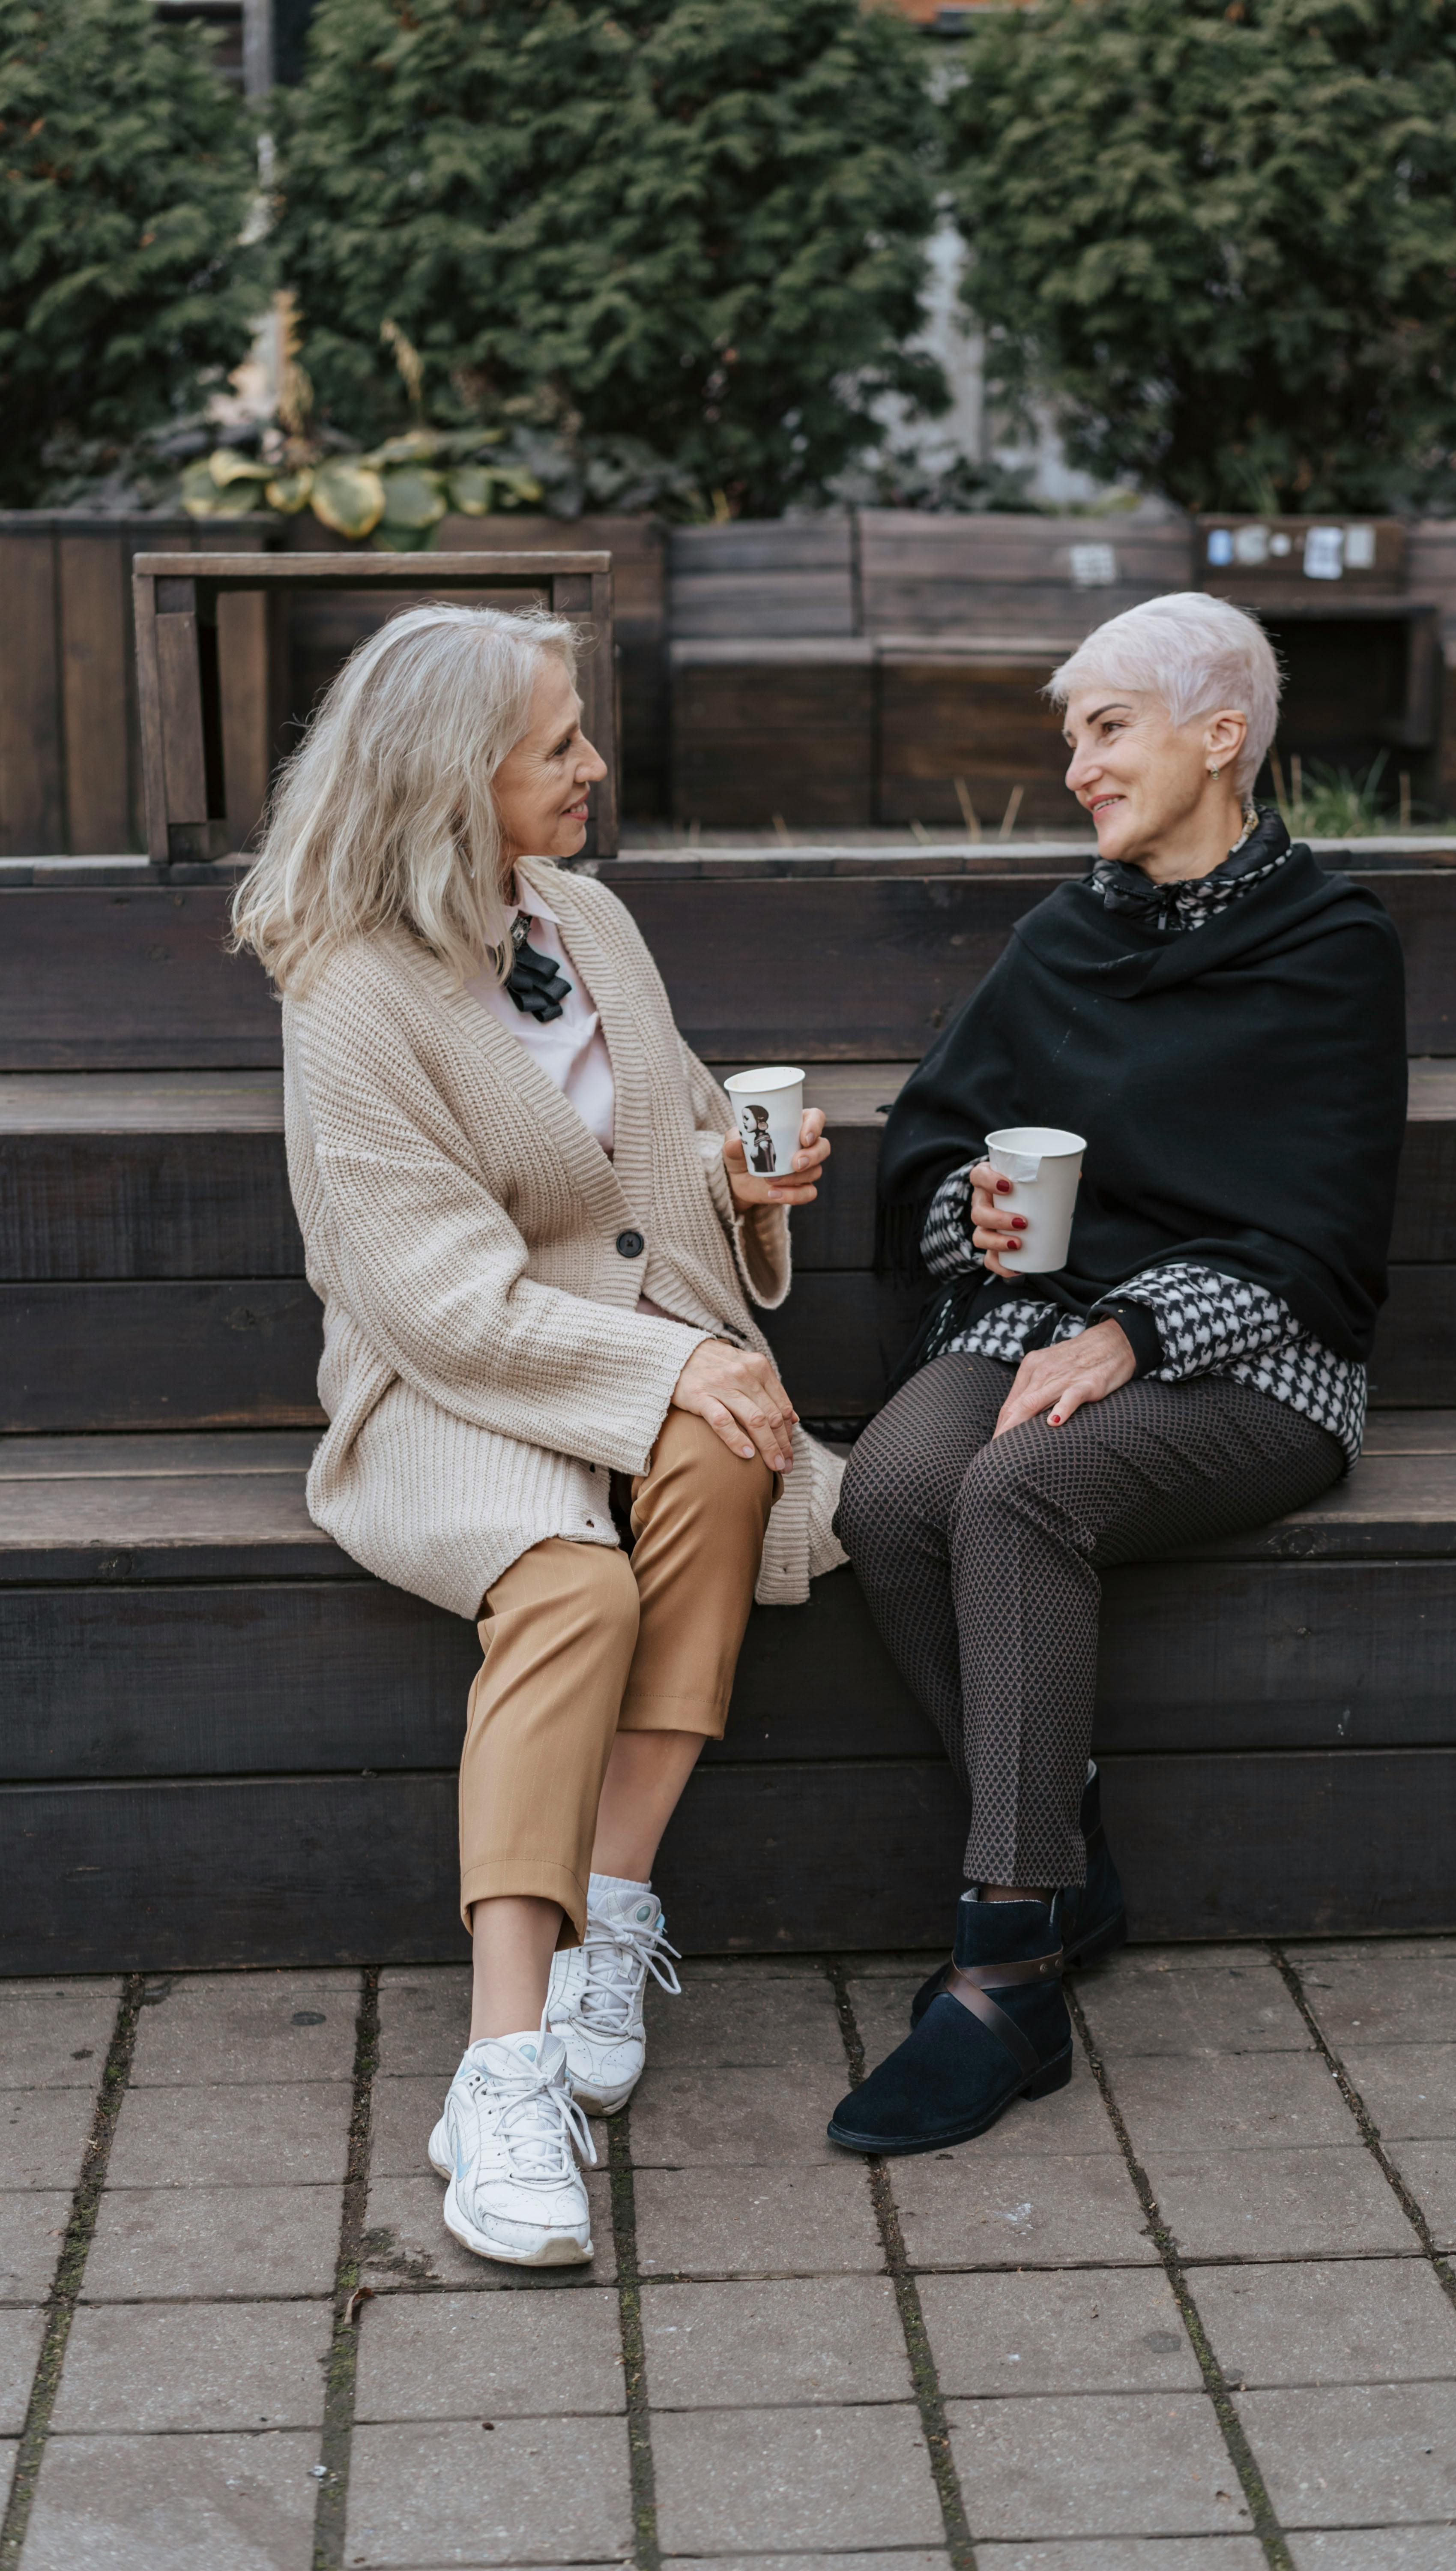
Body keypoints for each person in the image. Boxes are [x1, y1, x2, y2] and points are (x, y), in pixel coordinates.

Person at [232, 602, 843, 2265]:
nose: (591, 767)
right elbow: (436, 1302)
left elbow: (679, 1130)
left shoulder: (582, 919)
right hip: (448, 1384)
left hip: (619, 1344)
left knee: (740, 1442)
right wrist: (662, 1368)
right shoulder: (353, 995)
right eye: (555, 744)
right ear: (451, 778)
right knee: (570, 1586)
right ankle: (502, 2067)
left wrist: (742, 1181)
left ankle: (614, 1898)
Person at [828, 593, 1407, 2156]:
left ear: (1220, 737)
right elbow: (939, 1138)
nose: (1077, 767)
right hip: (1038, 1324)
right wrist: (983, 1217)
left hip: (1257, 1361)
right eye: (1069, 735)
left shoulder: (1333, 948)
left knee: (1016, 1495)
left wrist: (1139, 1334)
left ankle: (1007, 1969)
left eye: (1107, 728)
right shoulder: (1063, 935)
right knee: (885, 1496)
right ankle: (1064, 1846)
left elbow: (1328, 1225)